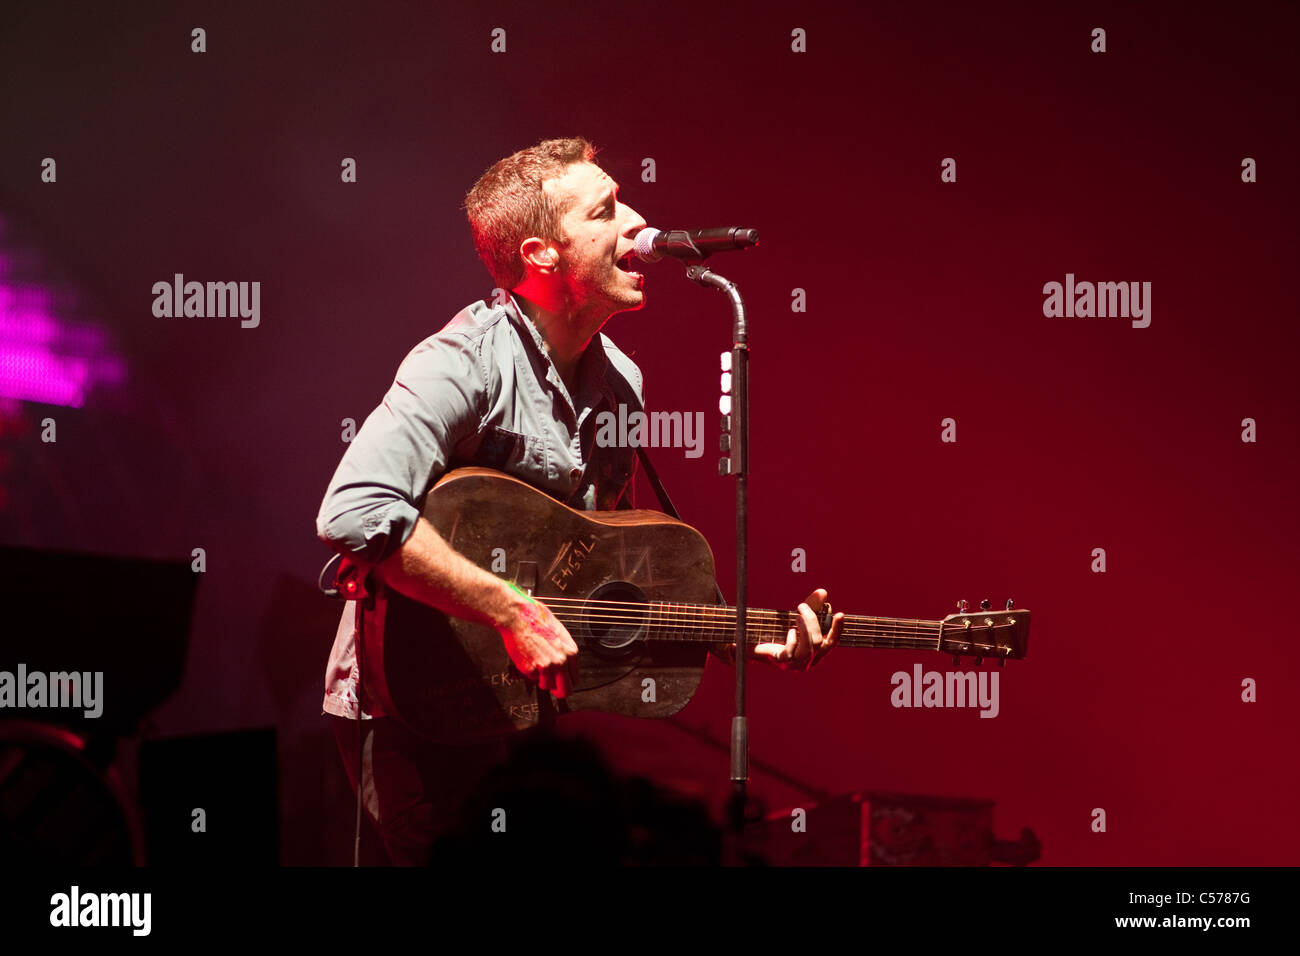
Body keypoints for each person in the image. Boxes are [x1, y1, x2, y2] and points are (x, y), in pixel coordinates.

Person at [314, 136, 844, 865]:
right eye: (605, 211)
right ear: (542, 254)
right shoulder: (460, 364)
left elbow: (599, 558)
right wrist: (509, 608)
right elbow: (355, 510)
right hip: (414, 703)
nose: (637, 221)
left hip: (522, 701)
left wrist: (736, 631)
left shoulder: (620, 382)